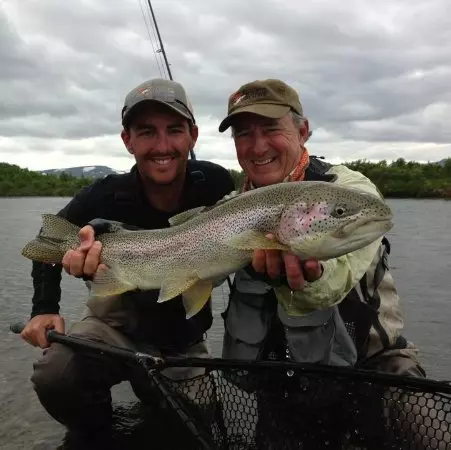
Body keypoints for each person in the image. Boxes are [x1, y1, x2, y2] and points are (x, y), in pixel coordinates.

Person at [20, 78, 235, 443]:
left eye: (175, 130)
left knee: (194, 424)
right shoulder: (103, 195)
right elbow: (46, 244)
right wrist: (43, 308)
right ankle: (96, 430)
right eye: (147, 132)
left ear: (193, 136)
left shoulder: (214, 184)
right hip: (113, 327)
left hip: (181, 336)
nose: (162, 145)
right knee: (55, 375)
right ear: (127, 140)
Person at [217, 78, 425, 377]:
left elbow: (338, 276)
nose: (258, 146)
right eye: (244, 134)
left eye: (271, 129)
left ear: (302, 132)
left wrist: (309, 278)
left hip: (375, 363)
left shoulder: (348, 190)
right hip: (278, 376)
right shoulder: (229, 207)